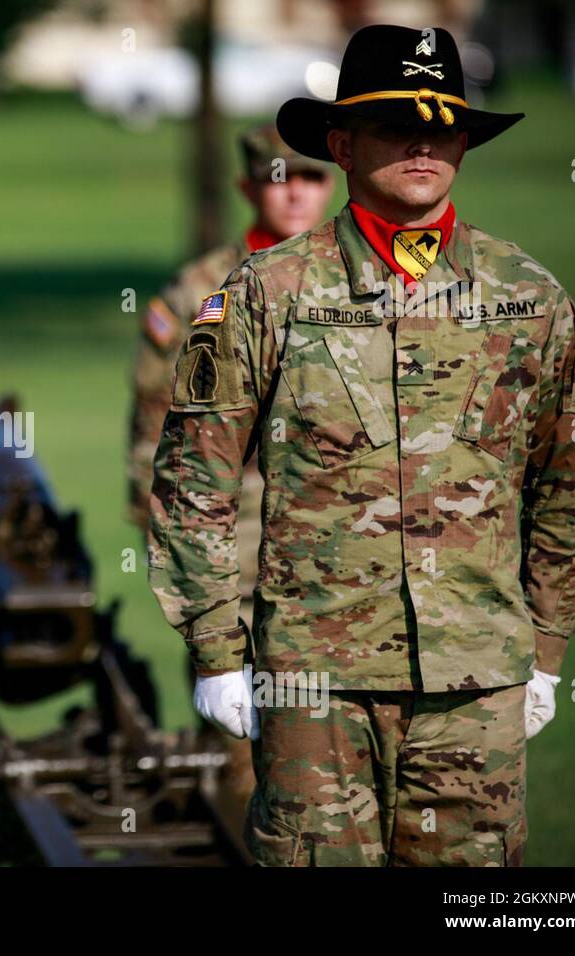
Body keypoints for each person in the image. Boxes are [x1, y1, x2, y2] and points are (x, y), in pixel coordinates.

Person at [147, 25, 575, 866]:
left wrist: (546, 650)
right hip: (313, 678)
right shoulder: (267, 292)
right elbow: (193, 479)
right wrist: (216, 649)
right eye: (397, 125)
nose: (424, 143)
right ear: (341, 144)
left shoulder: (529, 296)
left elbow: (569, 487)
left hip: (479, 682)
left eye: (443, 125)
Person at [127, 123, 332, 818]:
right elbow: (153, 432)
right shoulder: (198, 292)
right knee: (242, 761)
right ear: (248, 187)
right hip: (235, 555)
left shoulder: (367, 280)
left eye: (313, 176)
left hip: (347, 562)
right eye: (282, 177)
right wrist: (176, 563)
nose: (298, 192)